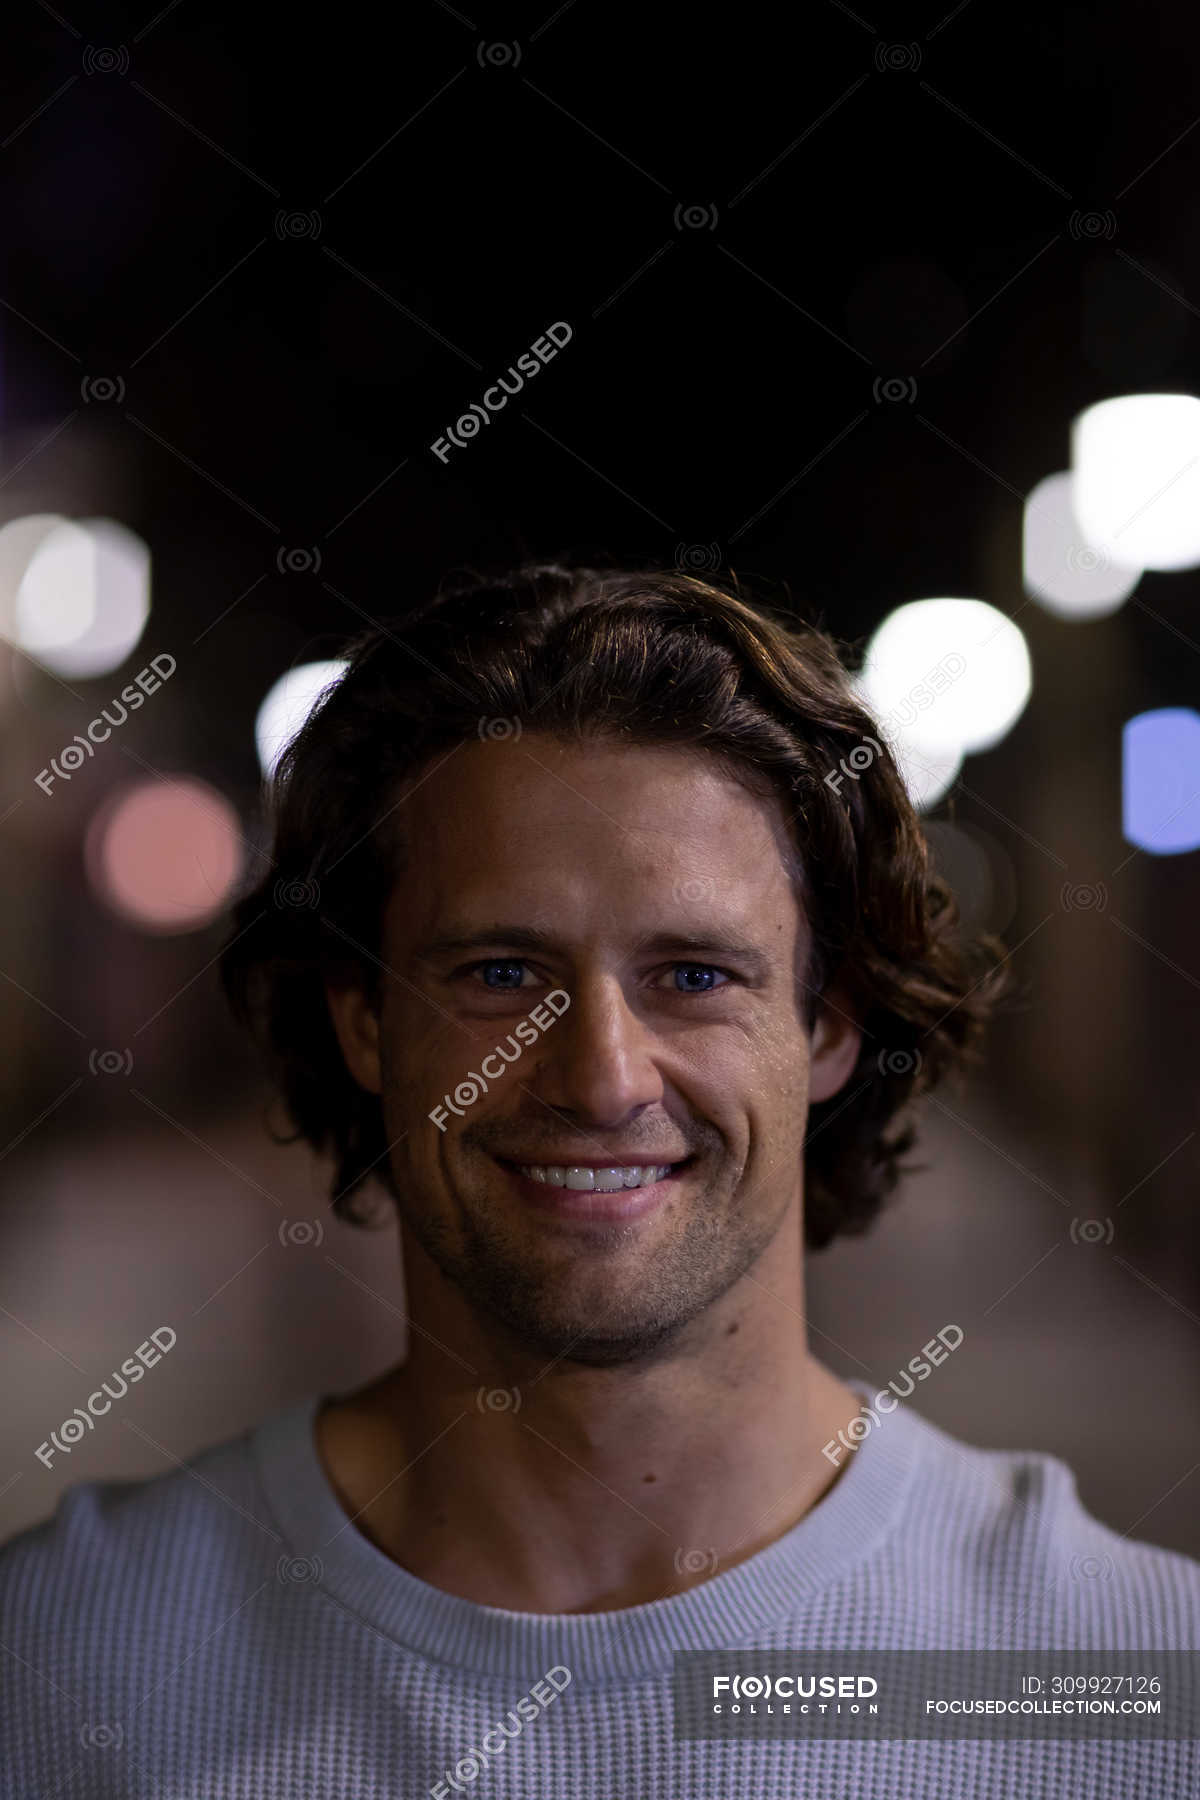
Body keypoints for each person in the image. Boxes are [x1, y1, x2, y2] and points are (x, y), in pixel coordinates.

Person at [3, 562, 1196, 1798]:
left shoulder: (1131, 1684)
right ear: (363, 1021)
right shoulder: (53, 1668)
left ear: (831, 1024)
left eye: (694, 976)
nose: (603, 1077)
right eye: (501, 973)